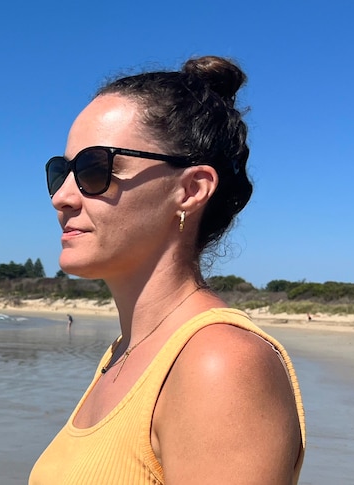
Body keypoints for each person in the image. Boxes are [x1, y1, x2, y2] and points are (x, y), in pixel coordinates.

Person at [30, 56, 305, 484]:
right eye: (60, 172)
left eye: (95, 168)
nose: (62, 197)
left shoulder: (218, 365)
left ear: (191, 189)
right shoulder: (126, 351)